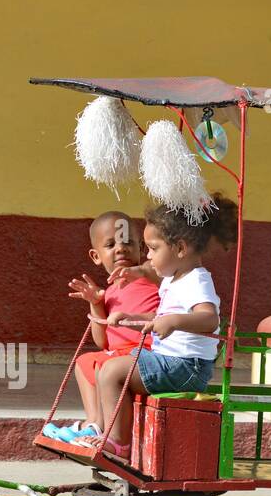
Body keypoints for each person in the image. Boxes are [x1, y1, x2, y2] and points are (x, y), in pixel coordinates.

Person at [73, 195, 236, 459]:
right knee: (107, 367)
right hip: (172, 361)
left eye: (152, 248)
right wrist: (131, 318)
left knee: (113, 371)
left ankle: (117, 444)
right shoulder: (175, 280)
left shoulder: (196, 280)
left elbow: (210, 319)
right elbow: (158, 317)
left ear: (180, 249)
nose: (147, 256)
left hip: (186, 366)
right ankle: (104, 430)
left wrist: (173, 322)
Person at [44, 210, 161, 442]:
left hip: (146, 353)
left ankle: (100, 426)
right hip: (119, 353)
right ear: (96, 256)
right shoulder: (109, 292)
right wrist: (96, 303)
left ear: (141, 247)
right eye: (110, 244)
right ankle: (93, 421)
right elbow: (102, 341)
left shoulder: (152, 275)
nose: (121, 248)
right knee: (84, 362)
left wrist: (143, 271)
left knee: (103, 363)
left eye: (128, 242)